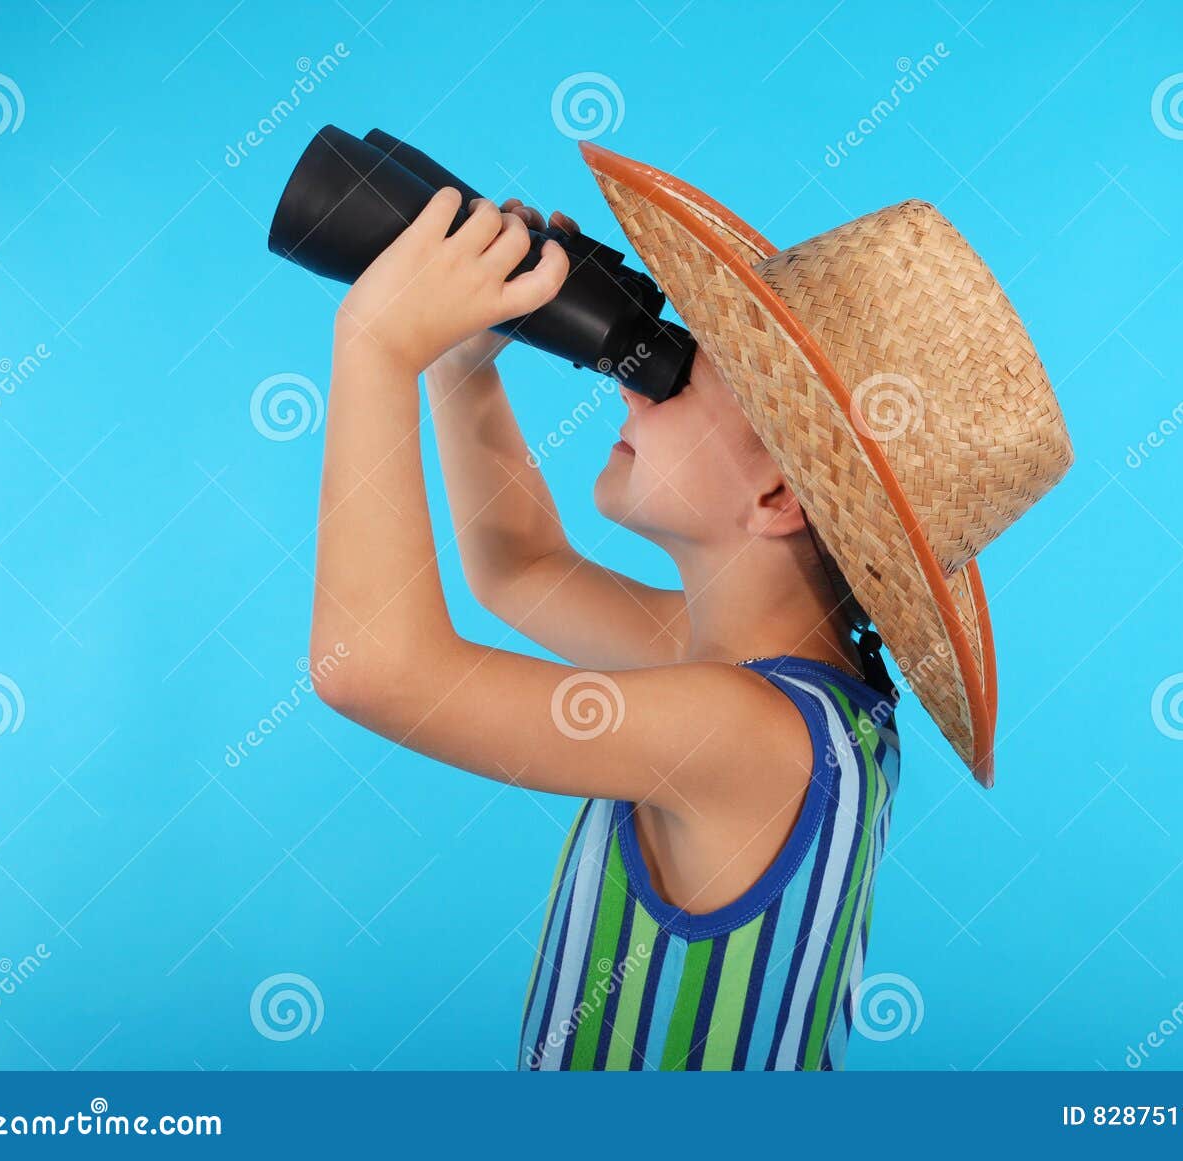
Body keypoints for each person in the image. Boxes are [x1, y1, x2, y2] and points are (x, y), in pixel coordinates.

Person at [308, 141, 1071, 1069]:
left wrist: (377, 345)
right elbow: (519, 569)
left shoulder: (744, 731)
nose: (630, 379)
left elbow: (373, 671)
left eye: (678, 375)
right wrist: (463, 365)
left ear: (780, 499)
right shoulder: (771, 683)